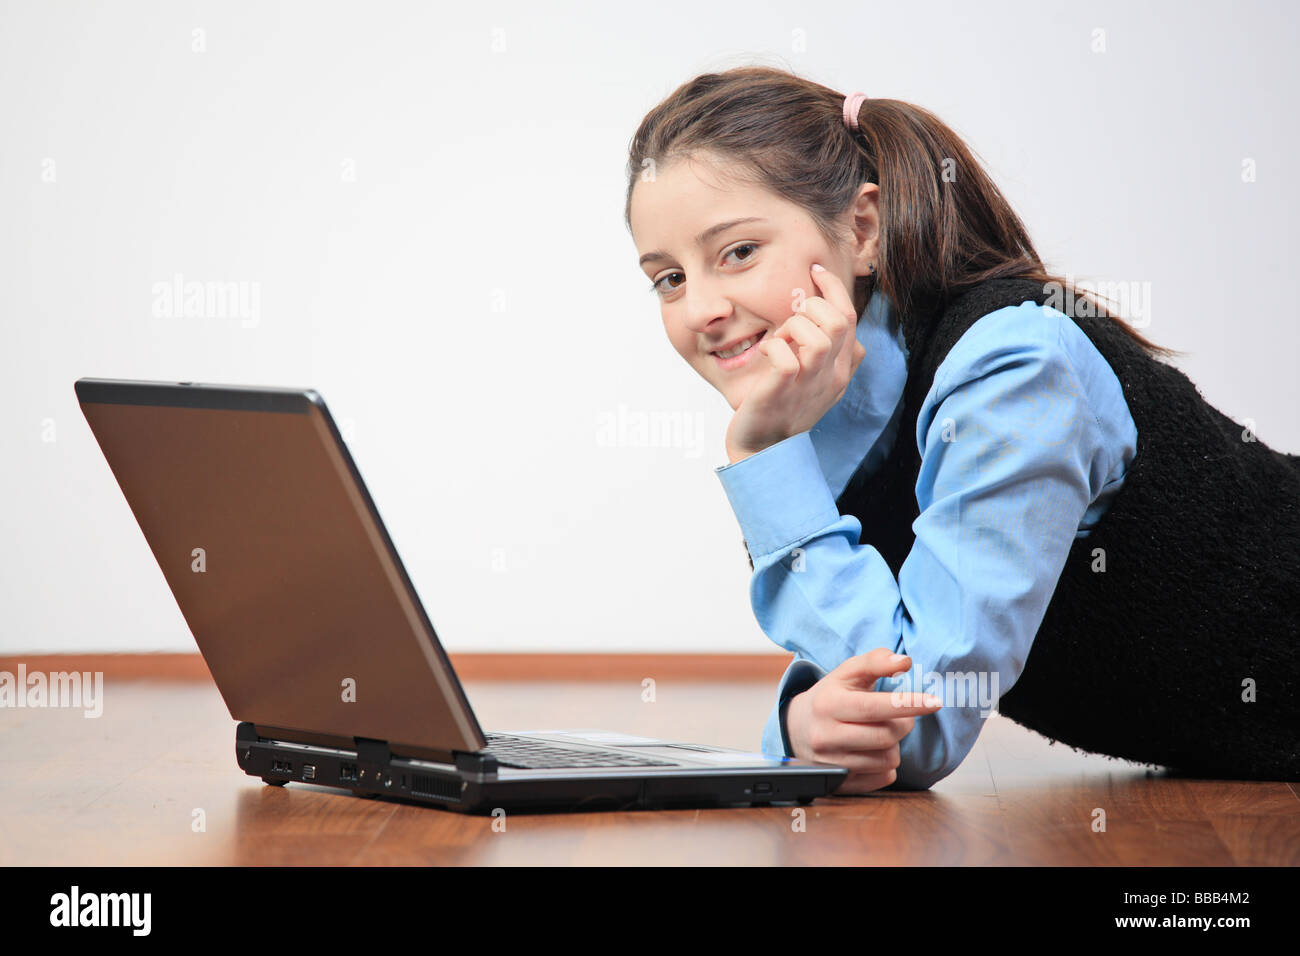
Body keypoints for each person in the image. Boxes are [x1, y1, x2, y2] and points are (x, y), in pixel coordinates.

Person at [624, 65, 1300, 793]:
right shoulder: (819, 414)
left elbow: (919, 721)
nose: (700, 310)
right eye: (670, 279)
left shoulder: (1012, 372)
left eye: (738, 252)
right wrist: (801, 723)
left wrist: (762, 456)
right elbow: (885, 683)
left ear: (861, 229)